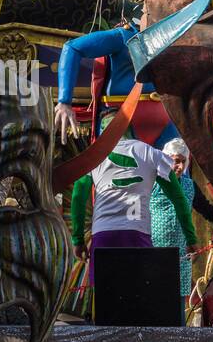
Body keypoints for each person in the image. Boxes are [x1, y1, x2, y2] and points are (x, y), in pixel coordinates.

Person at [71, 114, 199, 280]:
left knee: (105, 300)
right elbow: (179, 199)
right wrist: (190, 238)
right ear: (130, 129)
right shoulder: (151, 153)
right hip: (137, 235)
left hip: (103, 235)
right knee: (139, 297)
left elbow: (78, 198)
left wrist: (78, 240)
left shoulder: (93, 155)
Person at [149, 138, 213, 311]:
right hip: (153, 250)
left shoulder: (189, 185)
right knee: (154, 297)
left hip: (181, 255)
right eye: (174, 161)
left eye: (182, 161)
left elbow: (207, 210)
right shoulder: (153, 182)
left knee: (177, 303)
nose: (178, 166)